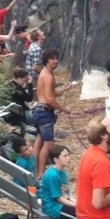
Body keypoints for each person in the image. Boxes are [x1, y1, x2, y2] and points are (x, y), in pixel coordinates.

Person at [32, 48, 77, 178]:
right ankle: (40, 174)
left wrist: (64, 89)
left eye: (56, 58)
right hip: (44, 112)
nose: (55, 61)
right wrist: (64, 109)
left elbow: (51, 94)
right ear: (46, 61)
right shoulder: (47, 75)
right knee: (48, 144)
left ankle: (34, 170)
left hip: (39, 111)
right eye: (52, 59)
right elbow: (50, 99)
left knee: (40, 140)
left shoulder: (47, 73)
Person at [37, 145, 80, 219]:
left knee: (84, 212)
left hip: (60, 203)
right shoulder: (52, 175)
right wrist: (77, 205)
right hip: (52, 207)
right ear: (56, 159)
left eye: (69, 155)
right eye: (65, 156)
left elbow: (68, 195)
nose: (68, 158)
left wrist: (79, 202)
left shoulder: (63, 173)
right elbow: (58, 199)